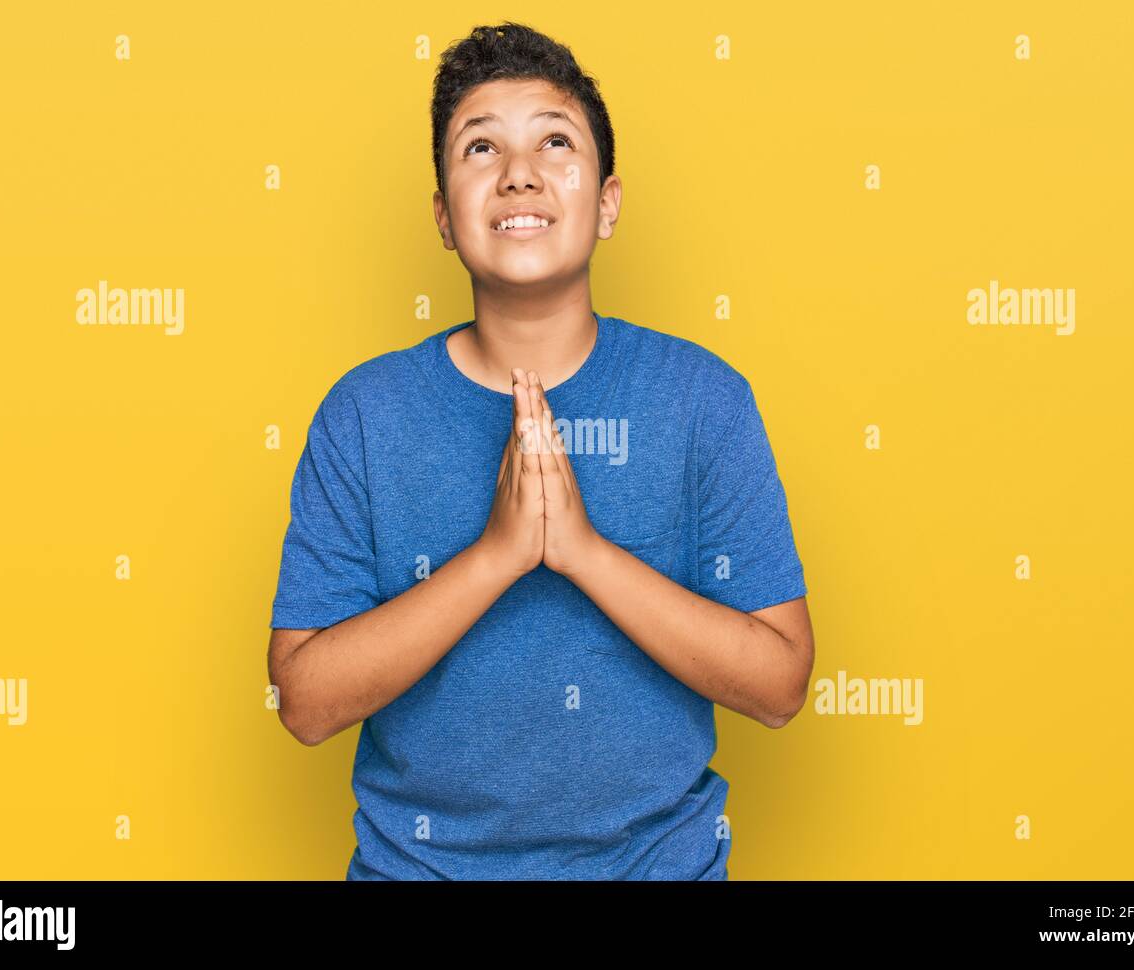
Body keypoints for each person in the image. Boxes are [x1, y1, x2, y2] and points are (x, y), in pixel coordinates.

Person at [267, 21, 815, 880]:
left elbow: (780, 686)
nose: (519, 172)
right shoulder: (363, 414)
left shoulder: (702, 398)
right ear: (444, 218)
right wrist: (496, 556)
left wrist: (584, 553)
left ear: (608, 202)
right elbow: (303, 703)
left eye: (555, 142)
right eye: (480, 147)